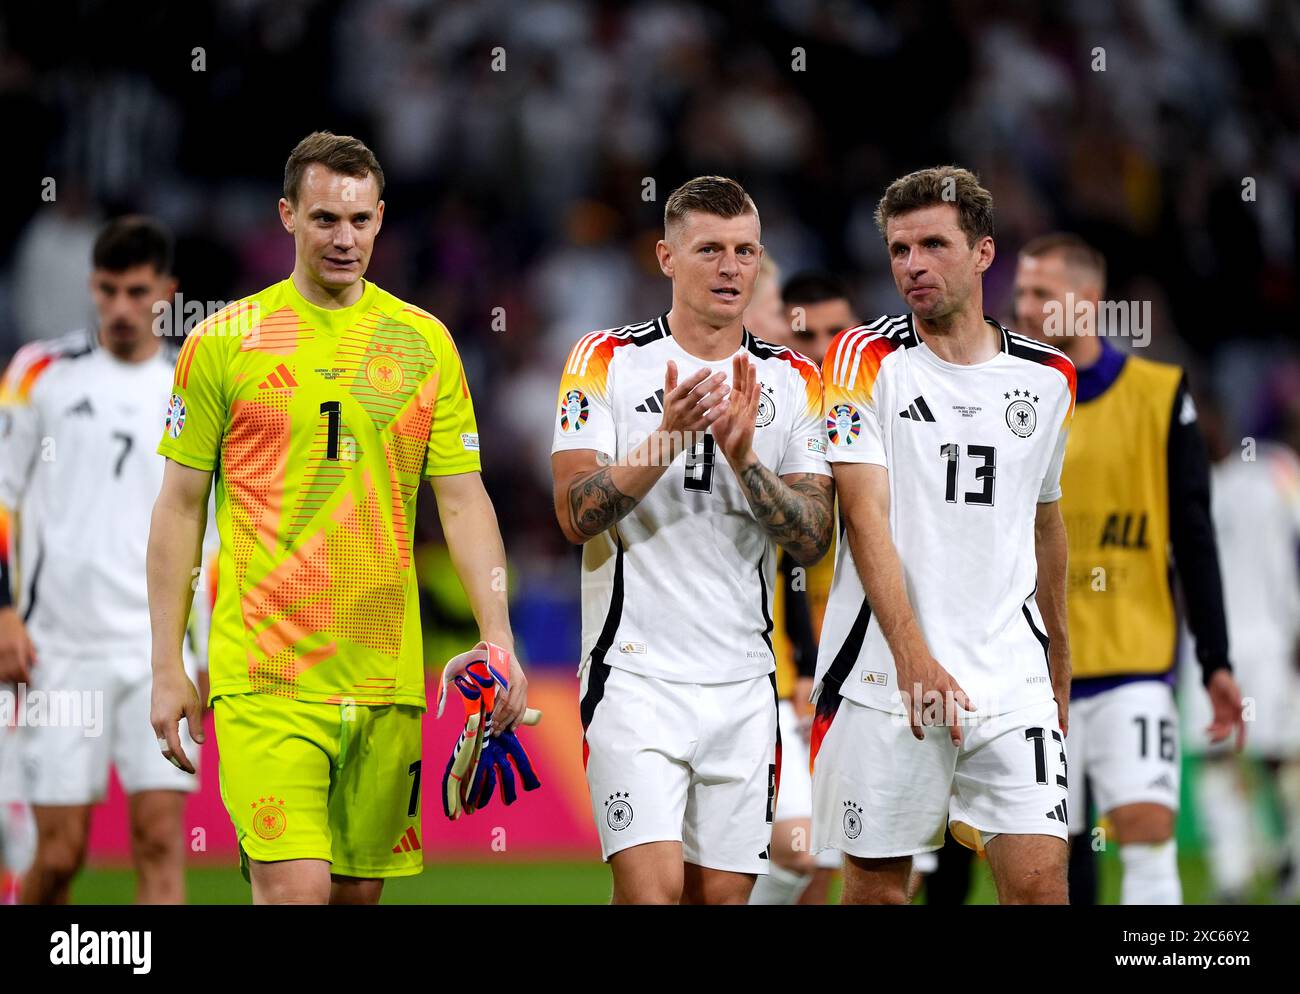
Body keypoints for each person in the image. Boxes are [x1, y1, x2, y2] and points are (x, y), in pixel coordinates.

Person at [147, 131, 528, 906]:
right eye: (324, 218)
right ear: (287, 216)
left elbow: (461, 500)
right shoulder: (222, 342)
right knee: (297, 895)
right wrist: (165, 663)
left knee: (353, 900)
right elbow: (180, 506)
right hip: (266, 674)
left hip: (386, 676)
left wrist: (498, 635)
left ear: (381, 218)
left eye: (358, 219)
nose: (344, 237)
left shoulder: (424, 344)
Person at [551, 175, 834, 905]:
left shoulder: (796, 380)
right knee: (652, 896)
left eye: (744, 251)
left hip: (744, 683)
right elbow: (576, 512)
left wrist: (746, 462)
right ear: (666, 257)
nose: (730, 267)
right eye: (709, 249)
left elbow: (810, 539)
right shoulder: (606, 360)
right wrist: (669, 436)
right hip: (635, 677)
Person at [811, 166, 1075, 905]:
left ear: (984, 254)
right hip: (884, 680)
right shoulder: (864, 361)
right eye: (899, 250)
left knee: (1040, 887)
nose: (914, 265)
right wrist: (912, 656)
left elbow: (1045, 517)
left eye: (933, 244)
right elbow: (864, 515)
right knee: (878, 894)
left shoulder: (1050, 377)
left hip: (1011, 678)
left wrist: (1058, 662)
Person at [1012, 232, 1244, 904]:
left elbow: (1193, 540)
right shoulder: (1003, 396)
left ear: (1086, 301)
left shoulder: (1159, 394)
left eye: (1040, 294)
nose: (1023, 307)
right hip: (1030, 671)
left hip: (1132, 663)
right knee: (1048, 862)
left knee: (1145, 832)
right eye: (1020, 293)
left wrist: (1216, 662)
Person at [0, 216, 204, 904]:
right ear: (91, 286)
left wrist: (202, 647)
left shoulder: (191, 385)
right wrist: (3, 610)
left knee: (158, 842)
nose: (121, 307)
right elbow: (1, 499)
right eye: (108, 290)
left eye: (137, 291)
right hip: (60, 650)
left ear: (167, 293)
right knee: (57, 856)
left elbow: (210, 531)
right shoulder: (39, 373)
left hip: (157, 657)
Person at [749, 270, 859, 905]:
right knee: (797, 849)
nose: (816, 344)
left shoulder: (873, 402)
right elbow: (791, 550)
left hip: (855, 665)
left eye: (833, 331)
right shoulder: (772, 407)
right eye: (795, 324)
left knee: (822, 860)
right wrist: (798, 664)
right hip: (770, 667)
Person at [1177, 397, 1300, 902]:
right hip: (1206, 651)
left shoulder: (1271, 472)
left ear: (1222, 422)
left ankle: (1290, 859)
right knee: (1215, 759)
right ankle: (1232, 873)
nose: (1198, 428)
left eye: (1203, 417)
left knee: (1281, 758)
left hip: (1271, 640)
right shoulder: (1177, 490)